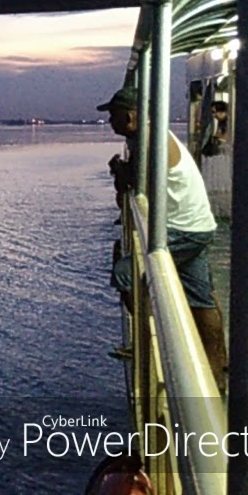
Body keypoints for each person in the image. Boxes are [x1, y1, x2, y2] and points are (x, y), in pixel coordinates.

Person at [98, 85, 228, 391]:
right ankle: (217, 373)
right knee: (200, 297)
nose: (110, 122)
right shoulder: (149, 135)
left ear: (130, 117)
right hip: (197, 225)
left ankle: (151, 344)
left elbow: (129, 188)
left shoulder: (147, 141)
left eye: (114, 116)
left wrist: (119, 171)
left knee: (124, 273)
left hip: (183, 229)